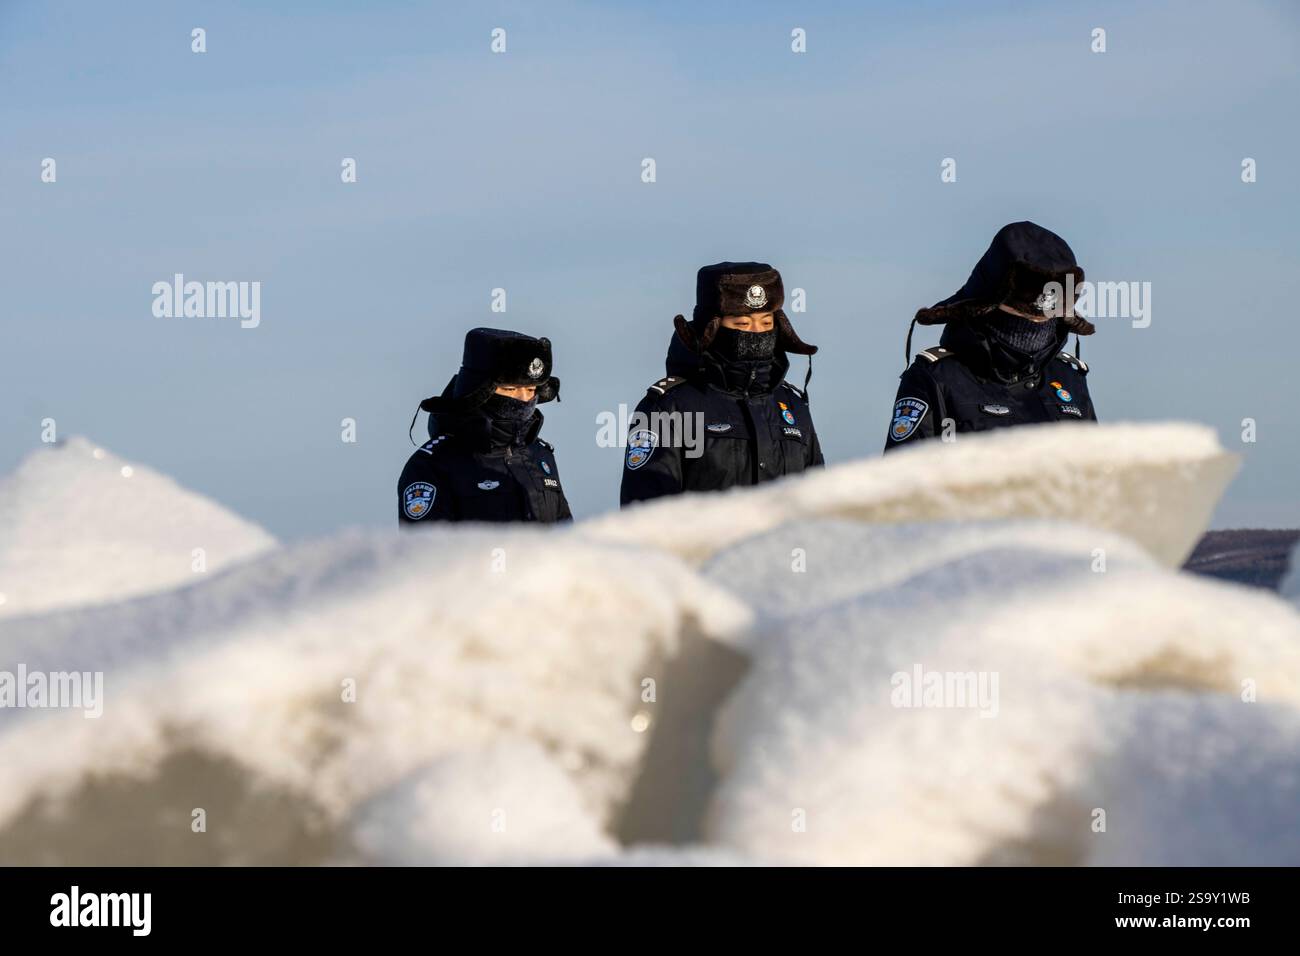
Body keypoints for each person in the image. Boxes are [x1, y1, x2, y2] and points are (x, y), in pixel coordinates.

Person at [620, 261, 823, 505]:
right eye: (742, 324)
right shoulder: (667, 408)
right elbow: (645, 514)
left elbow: (820, 507)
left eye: (767, 323)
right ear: (711, 327)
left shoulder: (793, 407)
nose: (757, 333)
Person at [883, 221, 1097, 452]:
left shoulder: (1069, 377)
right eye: (1022, 313)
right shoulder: (937, 378)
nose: (1036, 324)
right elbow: (904, 479)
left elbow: (1097, 472)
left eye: (1047, 315)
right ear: (987, 305)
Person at [398, 328, 571, 525]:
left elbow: (566, 539)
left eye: (531, 389)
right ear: (480, 390)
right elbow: (424, 549)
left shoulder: (541, 456)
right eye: (510, 389)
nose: (524, 400)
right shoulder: (432, 465)